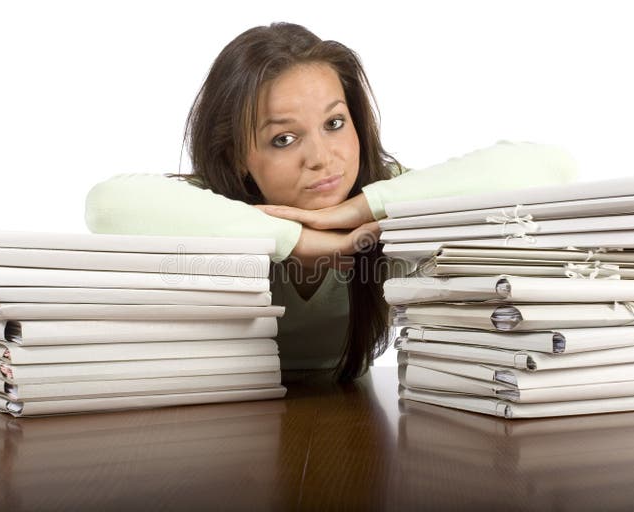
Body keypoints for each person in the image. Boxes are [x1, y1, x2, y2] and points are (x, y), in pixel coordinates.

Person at [85, 22, 577, 380]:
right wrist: (299, 240)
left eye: (335, 124)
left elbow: (552, 168)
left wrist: (363, 209)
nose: (321, 158)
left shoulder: (394, 202)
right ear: (239, 157)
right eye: (283, 139)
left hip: (357, 423)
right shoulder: (211, 215)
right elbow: (105, 204)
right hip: (214, 425)